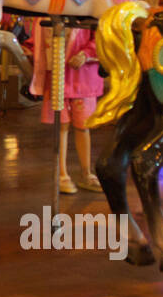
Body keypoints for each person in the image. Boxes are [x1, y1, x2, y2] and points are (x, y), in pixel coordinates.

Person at [30, 21, 106, 194]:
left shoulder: (88, 11)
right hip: (58, 75)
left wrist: (86, 53)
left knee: (83, 125)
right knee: (62, 126)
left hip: (82, 78)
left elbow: (101, 36)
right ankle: (62, 173)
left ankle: (85, 172)